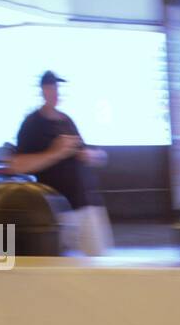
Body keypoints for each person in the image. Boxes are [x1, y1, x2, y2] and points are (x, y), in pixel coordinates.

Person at [10, 70, 112, 256]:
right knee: (66, 267)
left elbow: (96, 155)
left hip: (87, 205)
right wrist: (54, 153)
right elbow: (18, 165)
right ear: (42, 90)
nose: (55, 92)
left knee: (100, 263)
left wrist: (90, 155)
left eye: (57, 87)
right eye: (50, 87)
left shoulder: (66, 121)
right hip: (59, 210)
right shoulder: (32, 124)